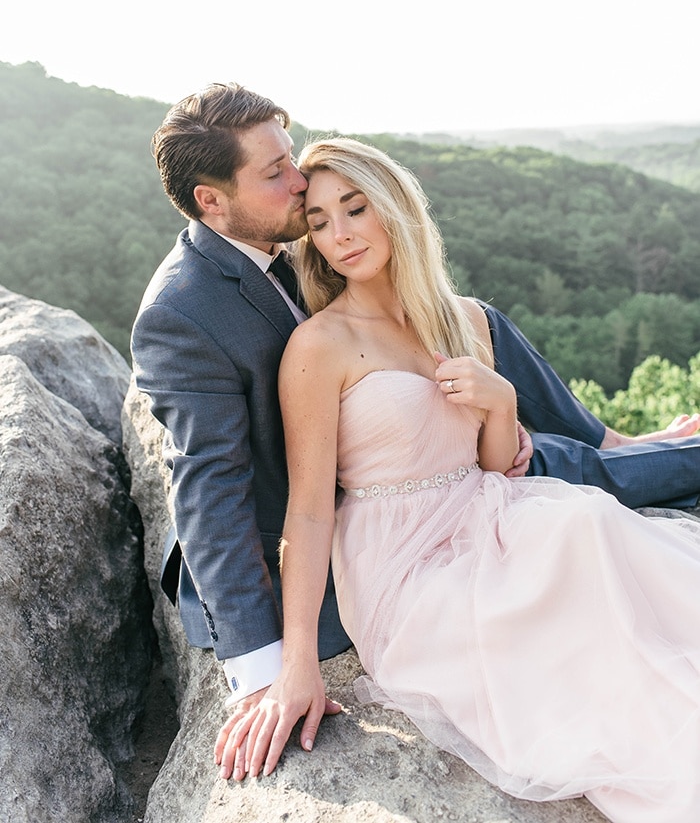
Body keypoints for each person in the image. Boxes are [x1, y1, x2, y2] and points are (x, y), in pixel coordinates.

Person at [131, 82, 700, 726]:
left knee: (484, 340)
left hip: (420, 456)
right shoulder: (182, 314)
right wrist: (268, 669)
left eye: (291, 158)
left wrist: (492, 414)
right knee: (564, 478)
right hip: (342, 530)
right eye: (275, 172)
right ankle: (632, 455)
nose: (298, 181)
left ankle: (608, 439)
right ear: (211, 201)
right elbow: (210, 489)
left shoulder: (281, 232)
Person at [217, 137, 700, 822]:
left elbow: (492, 464)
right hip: (404, 563)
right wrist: (298, 662)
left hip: (483, 508)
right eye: (319, 221)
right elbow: (311, 511)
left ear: (394, 206)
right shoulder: (319, 345)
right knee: (565, 636)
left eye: (355, 208)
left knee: (587, 525)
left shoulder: (464, 318)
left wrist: (501, 404)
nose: (340, 234)